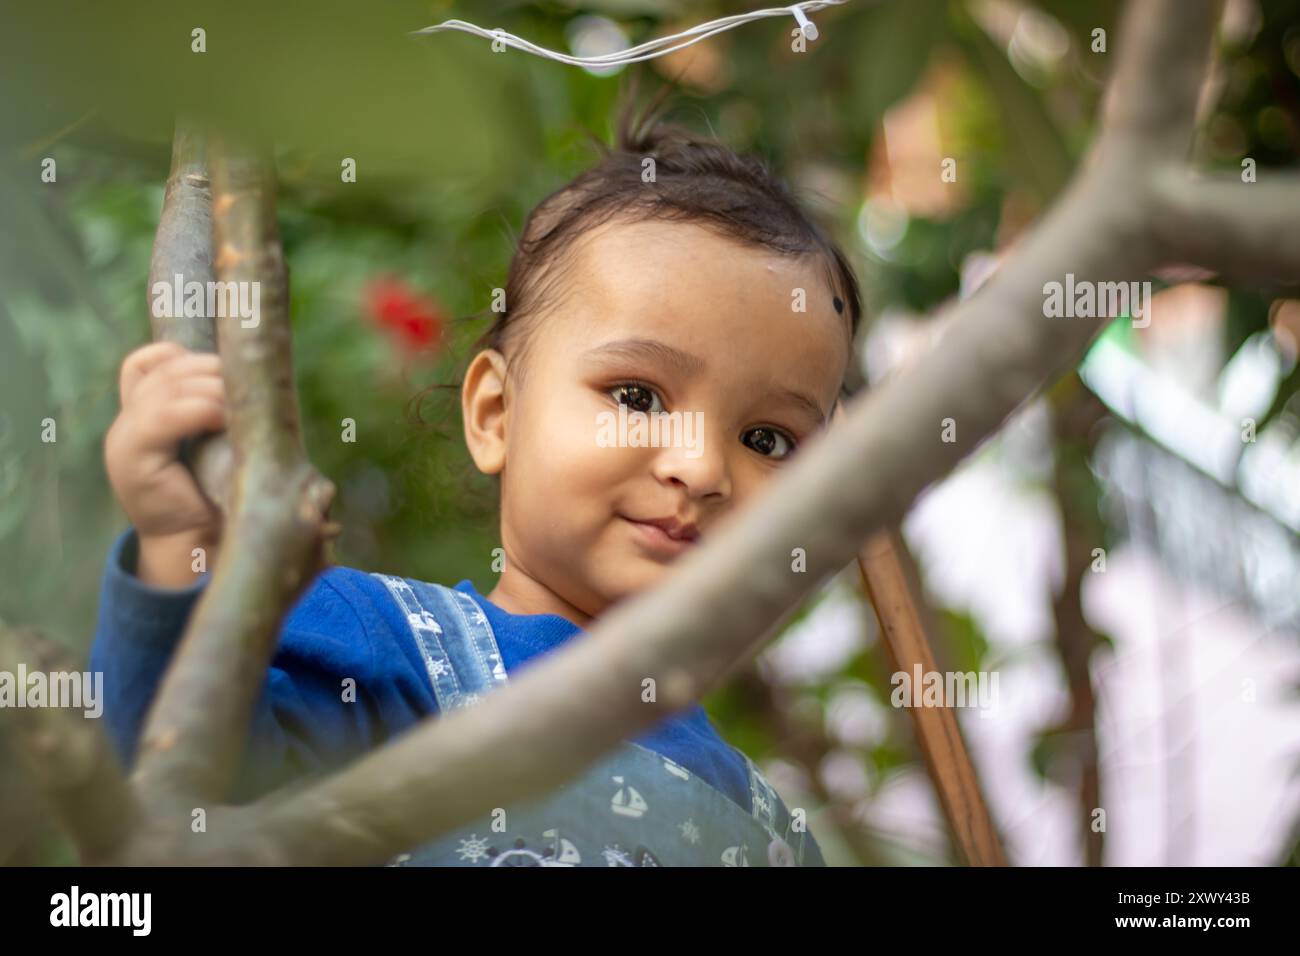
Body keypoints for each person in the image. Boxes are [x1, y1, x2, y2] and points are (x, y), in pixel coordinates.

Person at [91, 94, 862, 867]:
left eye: (768, 439)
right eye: (637, 396)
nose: (699, 468)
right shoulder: (379, 649)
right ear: (496, 412)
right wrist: (175, 546)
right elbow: (177, 789)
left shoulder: (771, 835)